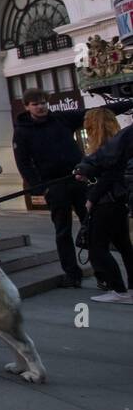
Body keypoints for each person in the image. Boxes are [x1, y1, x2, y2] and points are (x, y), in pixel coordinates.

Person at [11, 87, 133, 287]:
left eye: (43, 102)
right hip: (54, 184)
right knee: (63, 230)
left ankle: (101, 275)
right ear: (27, 107)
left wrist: (128, 104)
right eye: (35, 104)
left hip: (78, 179)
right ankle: (72, 273)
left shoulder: (60, 119)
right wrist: (40, 188)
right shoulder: (22, 132)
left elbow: (96, 113)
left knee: (92, 229)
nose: (41, 107)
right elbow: (23, 163)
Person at [75, 110, 133, 303]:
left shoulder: (105, 148)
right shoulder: (120, 141)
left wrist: (91, 198)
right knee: (124, 246)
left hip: (106, 201)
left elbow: (109, 176)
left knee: (97, 248)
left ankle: (118, 289)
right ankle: (129, 289)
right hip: (119, 201)